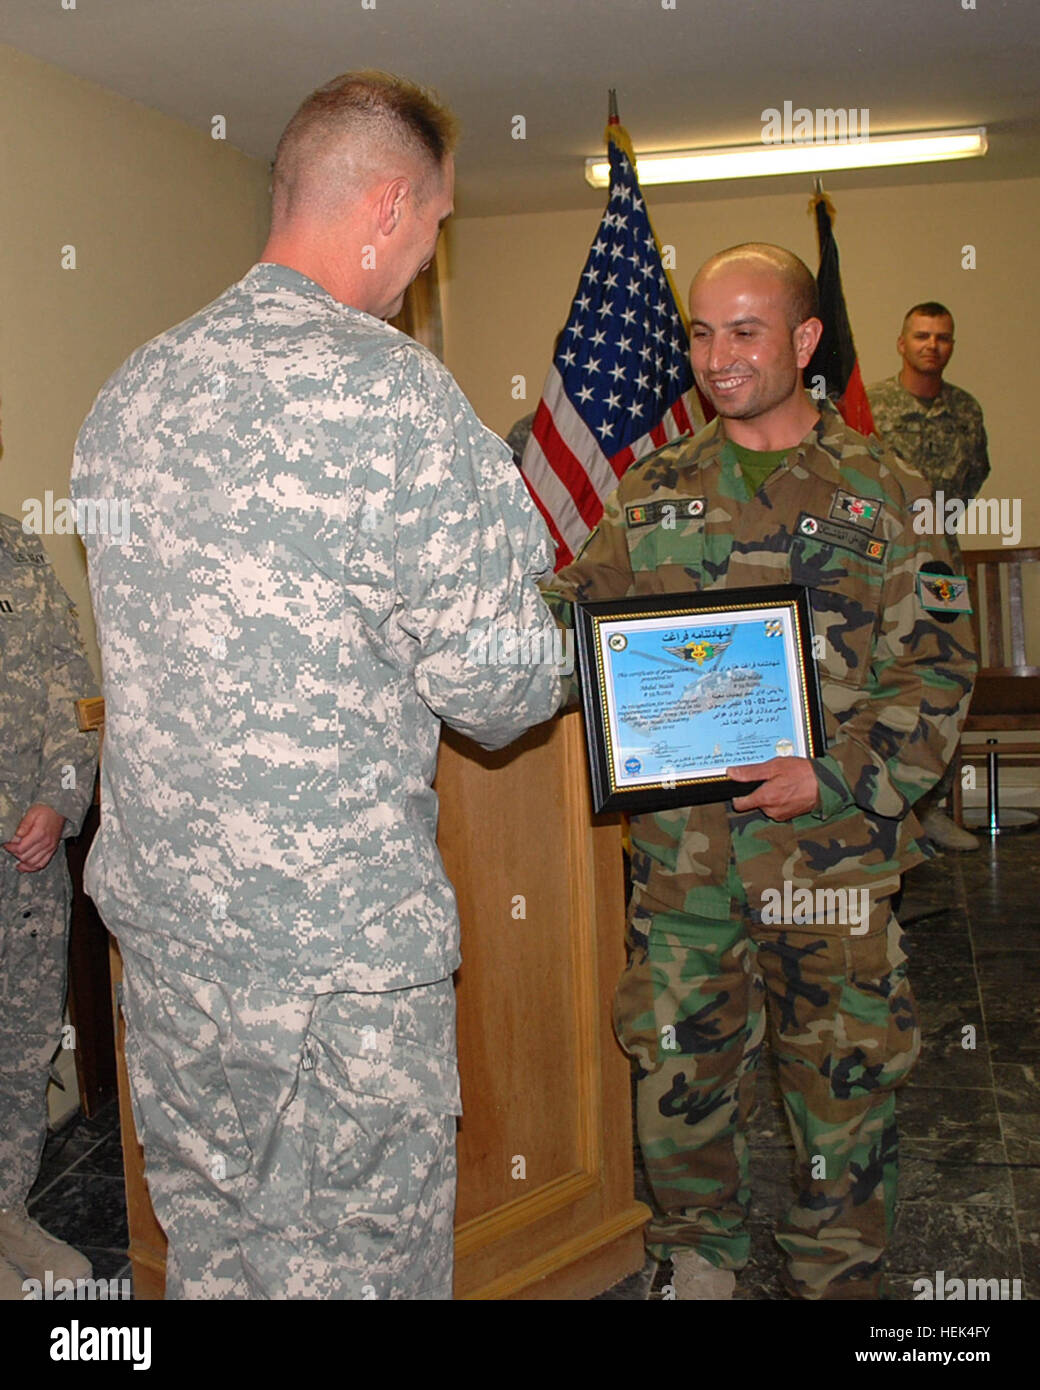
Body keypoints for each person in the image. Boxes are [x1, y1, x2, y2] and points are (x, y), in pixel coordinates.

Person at [70, 70, 562, 1300]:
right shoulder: (396, 398)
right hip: (338, 965)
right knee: (365, 1270)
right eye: (436, 228)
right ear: (389, 205)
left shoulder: (127, 394)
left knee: (216, 1249)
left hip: (173, 946)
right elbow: (497, 692)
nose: (423, 263)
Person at [541, 244, 976, 1300]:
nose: (717, 356)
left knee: (842, 1082)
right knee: (676, 1070)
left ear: (803, 340)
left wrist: (829, 773)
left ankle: (836, 1272)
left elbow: (935, 669)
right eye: (700, 332)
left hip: (829, 860)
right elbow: (574, 623)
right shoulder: (650, 489)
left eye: (743, 331)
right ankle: (698, 1253)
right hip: (684, 866)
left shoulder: (888, 489)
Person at [0, 478, 99, 1298]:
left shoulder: (21, 554)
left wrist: (58, 798)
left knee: (23, 1050)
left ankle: (6, 1214)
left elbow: (78, 699)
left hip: (28, 874)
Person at [867, 302, 989, 851]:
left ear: (952, 345)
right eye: (921, 335)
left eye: (942, 337)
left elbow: (975, 473)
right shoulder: (870, 405)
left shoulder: (966, 409)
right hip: (883, 563)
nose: (931, 345)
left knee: (945, 668)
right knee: (886, 667)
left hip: (944, 566)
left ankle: (933, 807)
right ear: (901, 343)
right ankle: (884, 805)